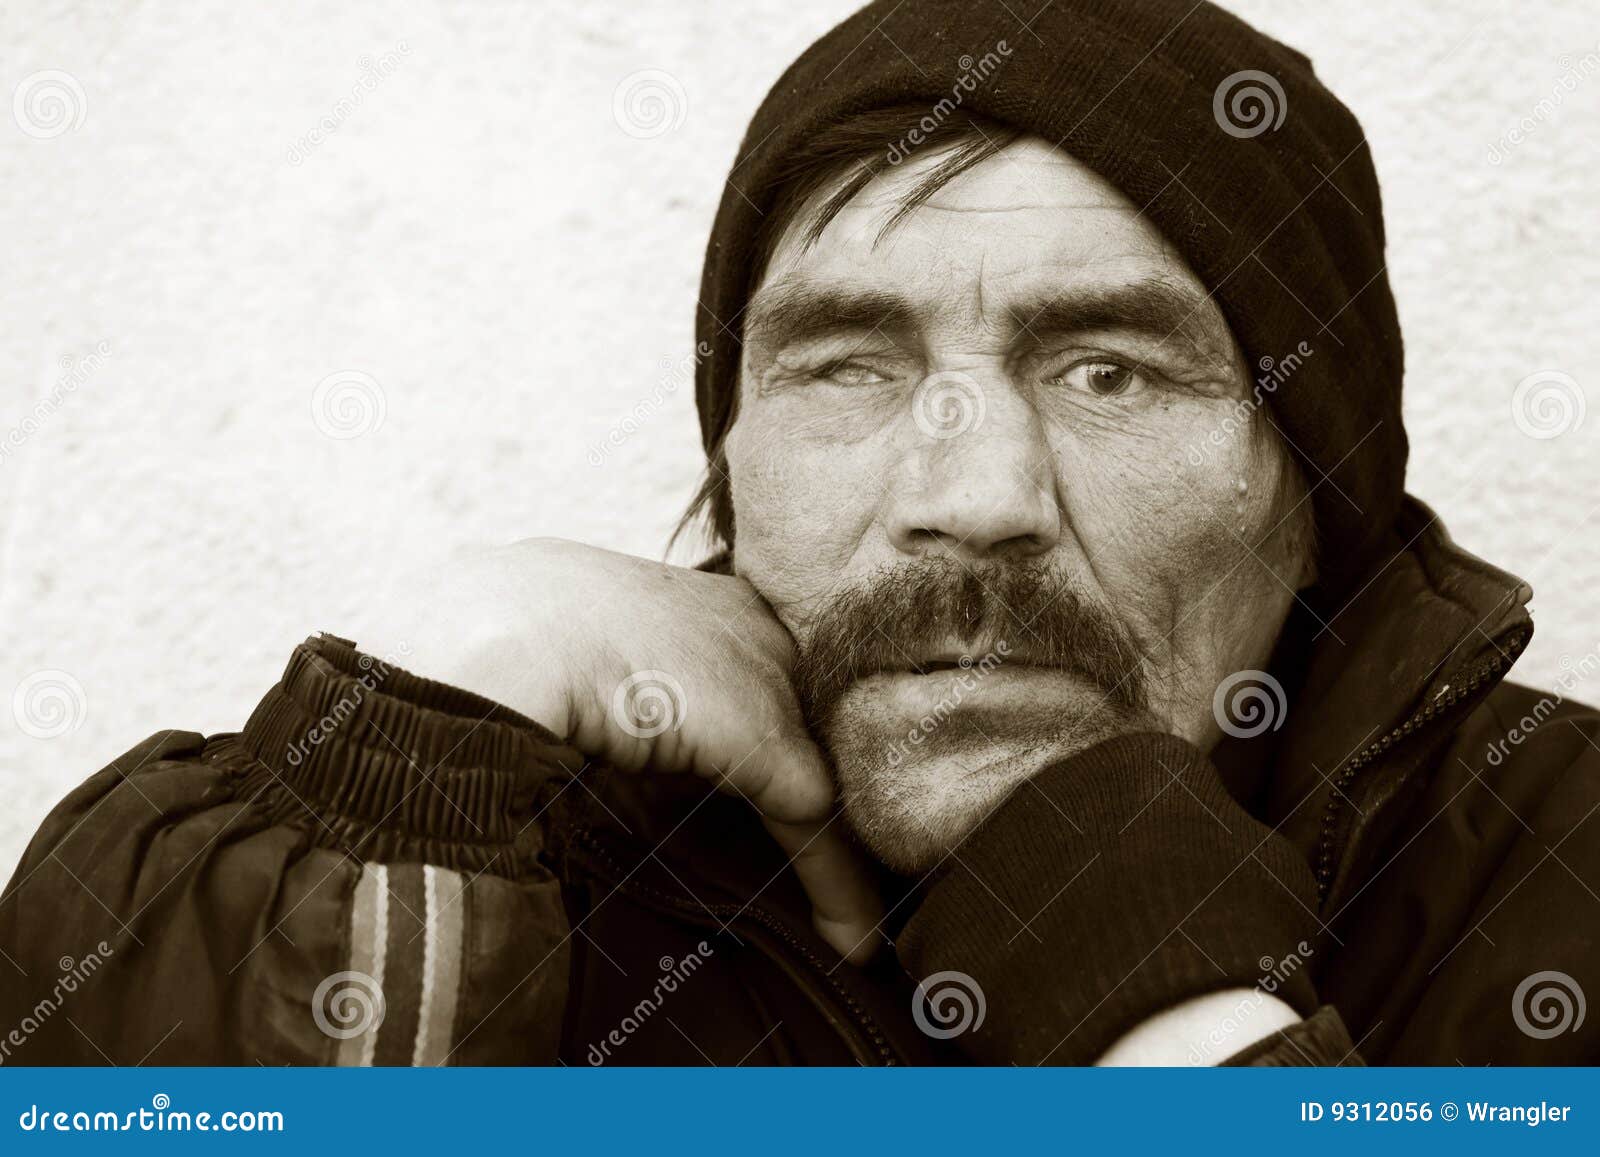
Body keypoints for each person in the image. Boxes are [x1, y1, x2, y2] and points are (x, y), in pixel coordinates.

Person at [3, 0, 1596, 1066]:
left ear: (1315, 489)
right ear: (736, 457)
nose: (969, 499)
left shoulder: (1553, 884)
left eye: (1106, 368)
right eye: (849, 365)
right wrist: (413, 736)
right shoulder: (522, 864)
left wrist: (1182, 1030)